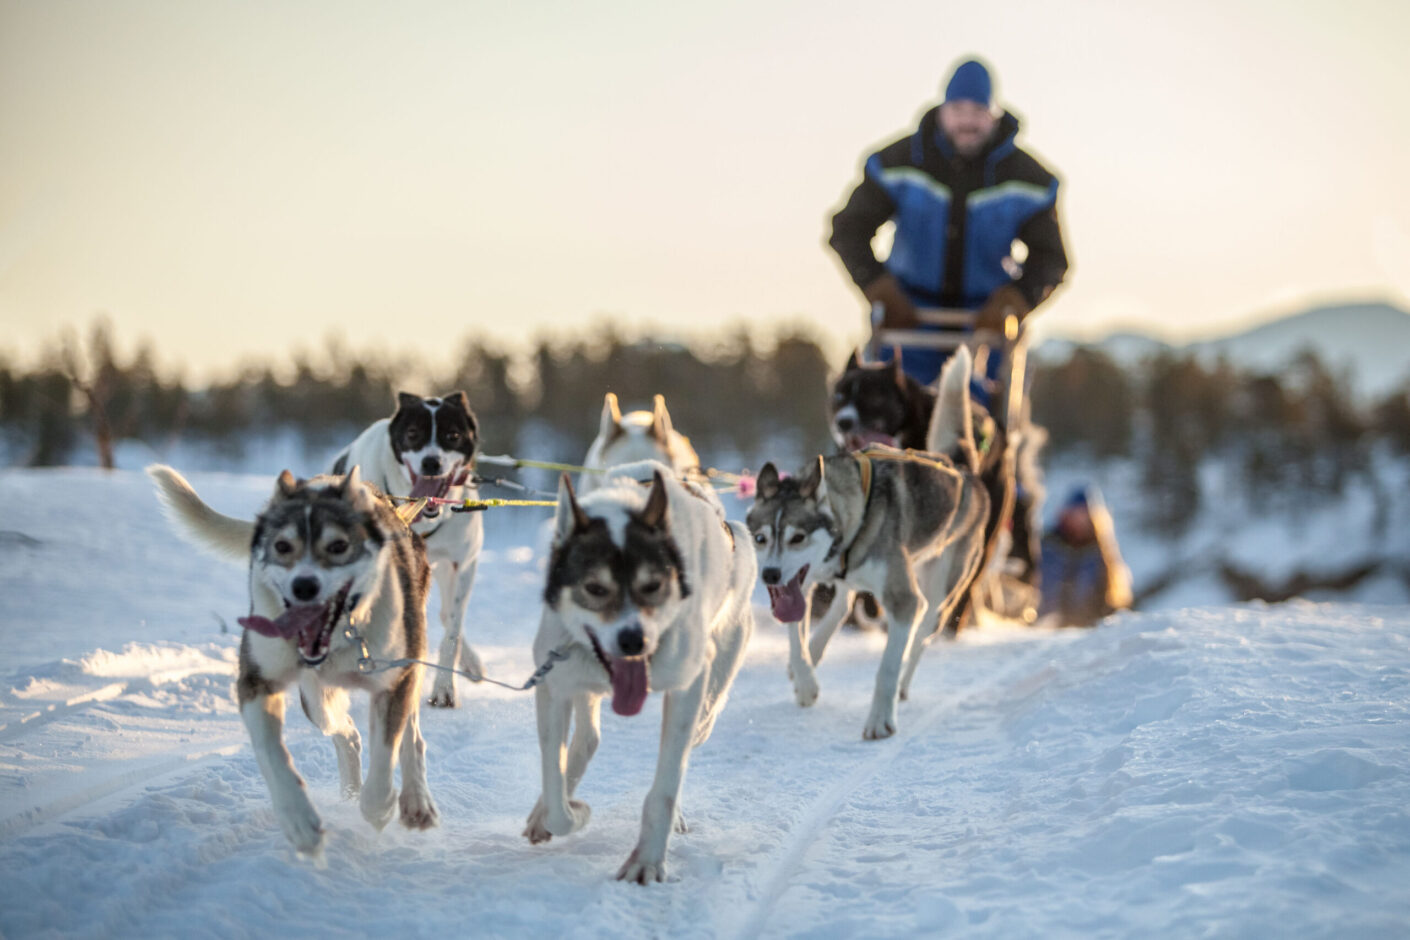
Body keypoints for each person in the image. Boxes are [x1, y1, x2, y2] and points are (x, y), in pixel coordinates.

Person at [828, 57, 1069, 386]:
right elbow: (848, 230)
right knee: (894, 410)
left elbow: (1051, 258)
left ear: (994, 116)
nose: (967, 122)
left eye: (978, 113)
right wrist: (877, 285)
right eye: (958, 111)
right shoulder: (897, 165)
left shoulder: (1029, 182)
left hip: (985, 330)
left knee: (977, 424)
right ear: (942, 111)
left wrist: (1016, 299)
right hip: (907, 324)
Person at [1037, 486, 1133, 627]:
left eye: (1084, 514)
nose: (1079, 520)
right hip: (1039, 630)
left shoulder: (1104, 556)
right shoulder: (1045, 546)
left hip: (1087, 635)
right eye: (1075, 513)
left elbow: (1116, 601)